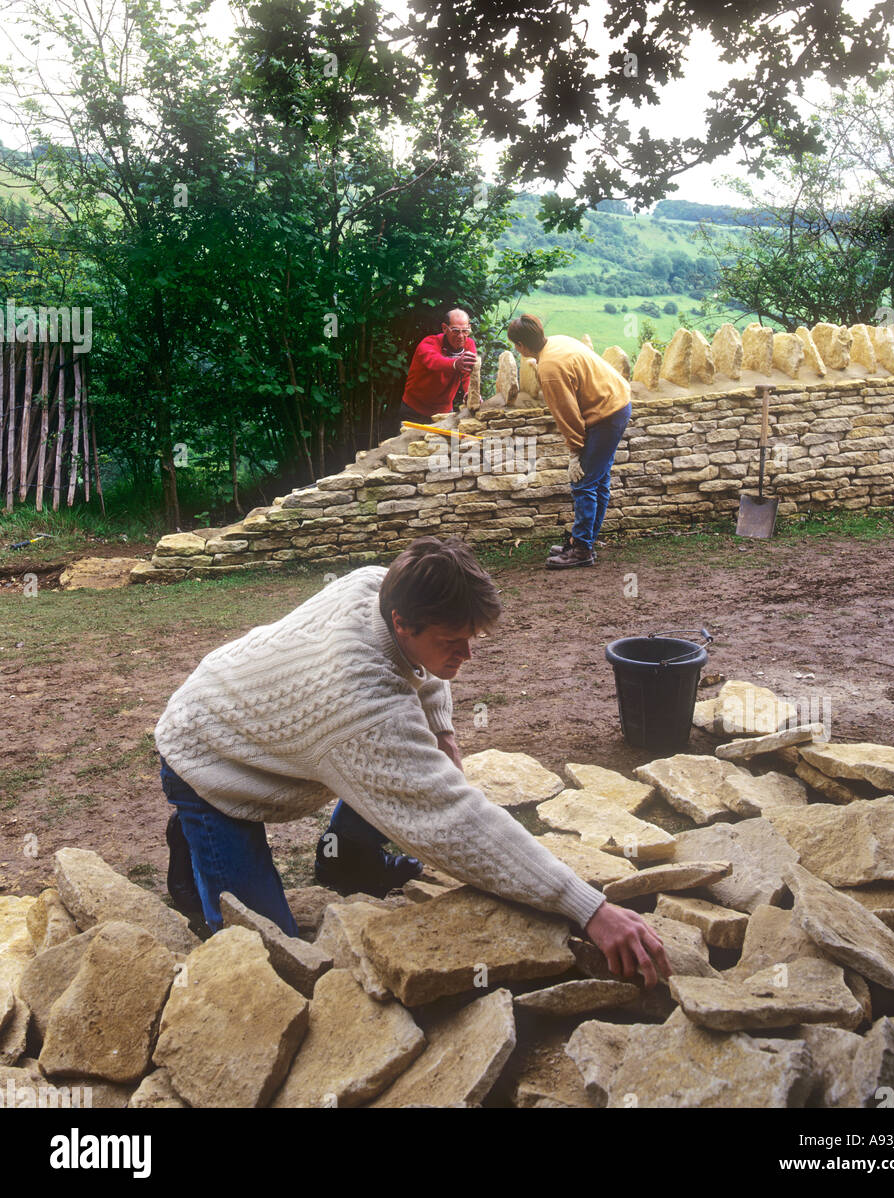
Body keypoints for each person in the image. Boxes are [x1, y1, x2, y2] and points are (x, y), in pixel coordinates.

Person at [156, 536, 669, 985]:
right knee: (270, 963)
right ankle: (198, 849)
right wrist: (589, 909)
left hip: (253, 702)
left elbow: (423, 673)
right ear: (401, 622)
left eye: (471, 637)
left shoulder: (377, 584)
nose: (466, 654)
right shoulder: (361, 705)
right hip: (206, 754)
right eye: (452, 641)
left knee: (401, 757)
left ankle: (347, 861)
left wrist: (442, 731)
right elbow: (449, 819)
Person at [507, 314, 632, 570]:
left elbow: (568, 415)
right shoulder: (557, 341)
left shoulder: (549, 369)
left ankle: (582, 550)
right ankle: (582, 541)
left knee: (583, 483)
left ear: (521, 346)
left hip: (606, 414)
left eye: (516, 345)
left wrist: (575, 451)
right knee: (598, 480)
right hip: (616, 403)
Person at [393, 308, 478, 432]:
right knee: (406, 449)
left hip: (444, 412)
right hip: (414, 411)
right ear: (444, 328)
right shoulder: (428, 343)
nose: (461, 336)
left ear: (469, 328)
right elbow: (433, 362)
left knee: (441, 449)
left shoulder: (469, 345)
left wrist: (470, 393)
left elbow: (468, 374)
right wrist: (455, 363)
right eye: (455, 331)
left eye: (465, 331)